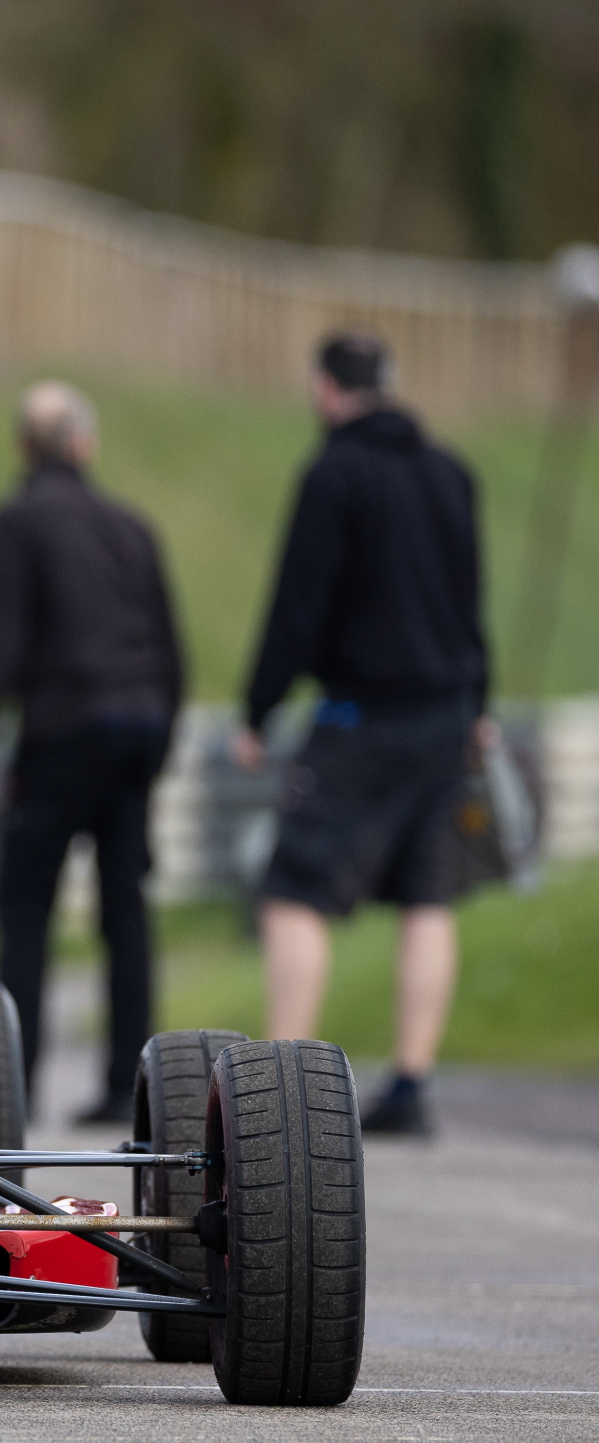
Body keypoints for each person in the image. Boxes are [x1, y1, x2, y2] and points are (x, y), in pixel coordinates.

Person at [234, 330, 495, 1139]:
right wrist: (477, 705)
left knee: (294, 890)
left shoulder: (334, 472)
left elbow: (298, 604)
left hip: (357, 719)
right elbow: (469, 605)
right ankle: (411, 1084)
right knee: (427, 896)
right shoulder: (452, 474)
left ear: (326, 389)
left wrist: (258, 708)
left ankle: (282, 1099)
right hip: (446, 717)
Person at [0, 382, 184, 1125]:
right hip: (139, 729)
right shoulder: (132, 526)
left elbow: (4, 643)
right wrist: (159, 747)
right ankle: (129, 1087)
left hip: (64, 730)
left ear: (24, 447)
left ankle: (11, 1088)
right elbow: (173, 652)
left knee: (24, 904)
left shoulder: (17, 522)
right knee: (125, 909)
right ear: (85, 444)